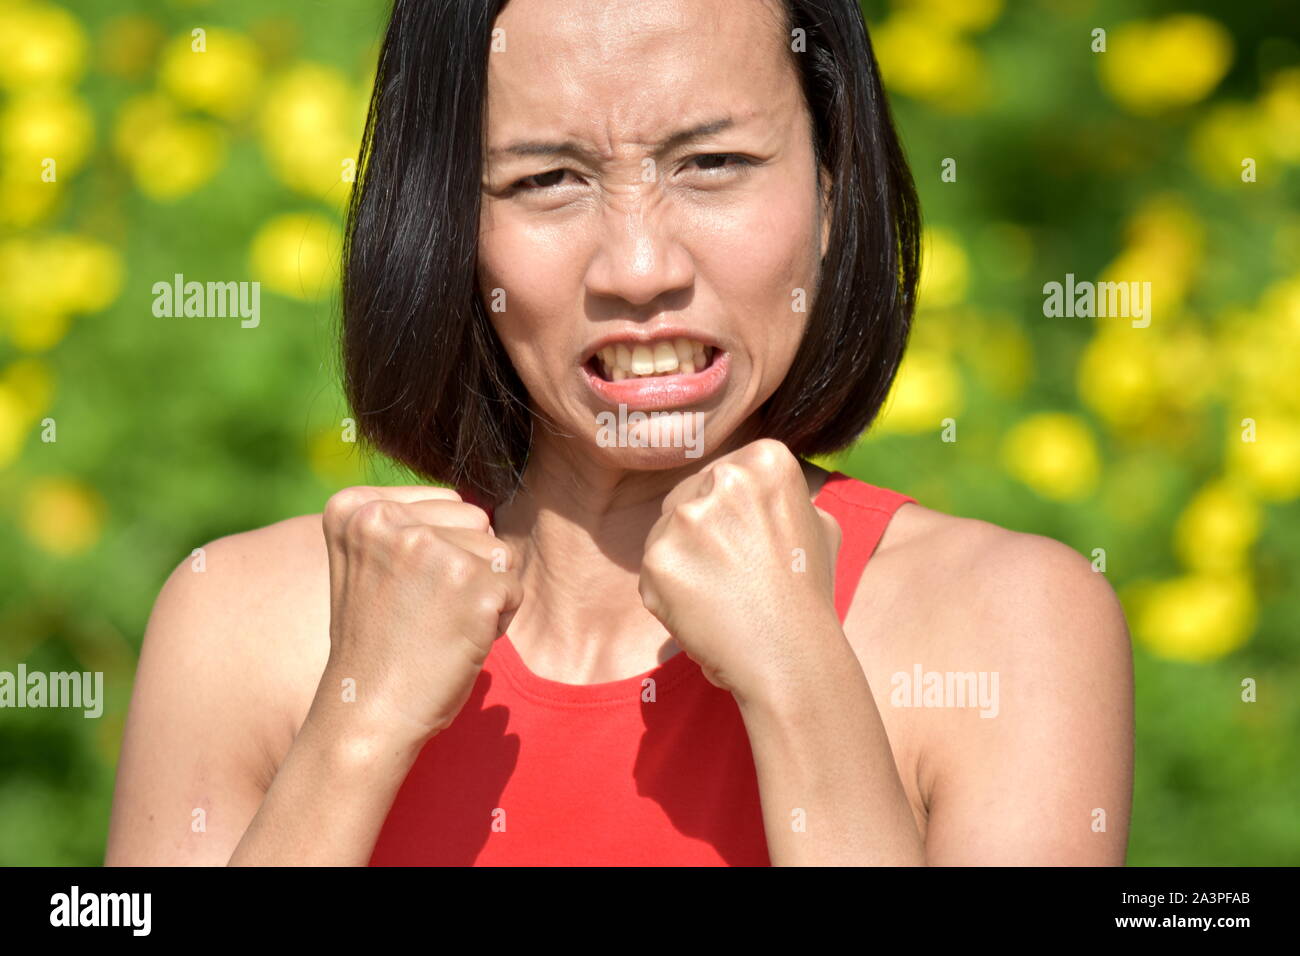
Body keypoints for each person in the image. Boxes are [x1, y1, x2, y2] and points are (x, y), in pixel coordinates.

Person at [105, 0, 1133, 866]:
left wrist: (800, 678)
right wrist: (355, 729)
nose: (637, 268)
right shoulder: (240, 625)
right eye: (546, 179)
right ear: (448, 224)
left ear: (830, 188)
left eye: (716, 161)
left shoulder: (1010, 624)